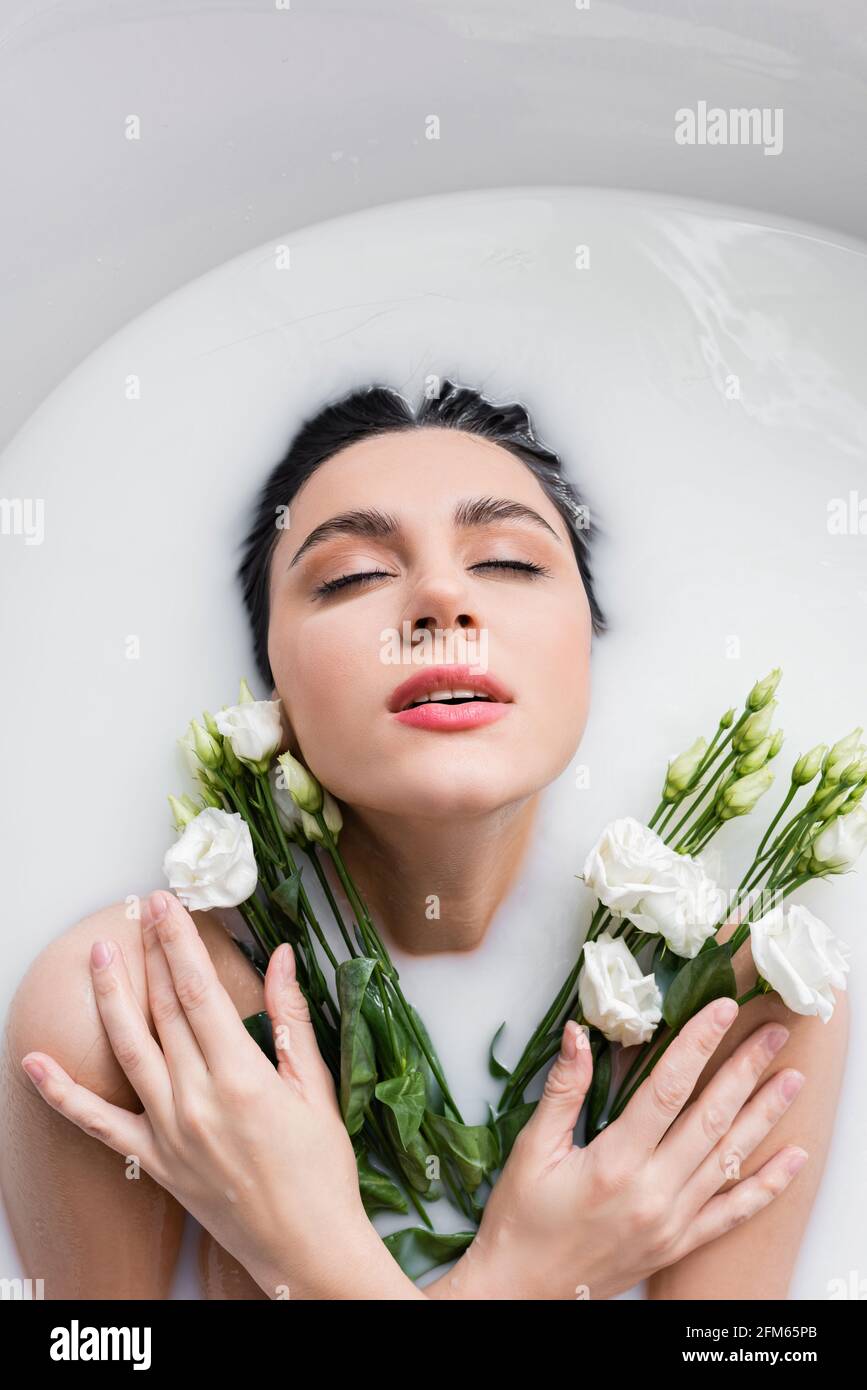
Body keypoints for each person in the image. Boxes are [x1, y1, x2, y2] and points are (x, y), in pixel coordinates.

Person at [1, 380, 849, 1300]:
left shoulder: (742, 995)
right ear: (272, 686)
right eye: (352, 576)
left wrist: (314, 1257)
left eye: (510, 563)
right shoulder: (132, 1005)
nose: (441, 596)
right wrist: (520, 1282)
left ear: (587, 648)